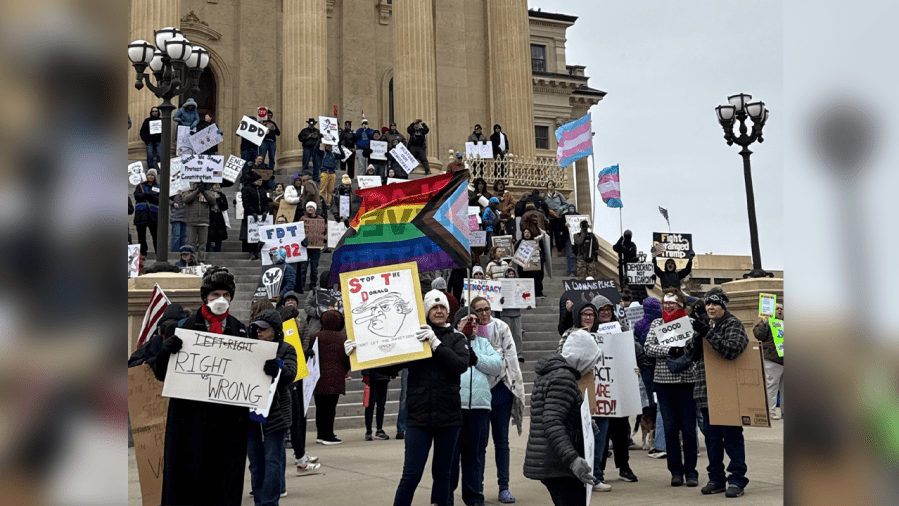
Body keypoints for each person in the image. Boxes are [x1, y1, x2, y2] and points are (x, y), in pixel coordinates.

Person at [344, 290, 468, 506]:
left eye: (442, 308)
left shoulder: (458, 337)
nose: (438, 311)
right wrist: (359, 353)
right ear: (426, 311)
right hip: (418, 418)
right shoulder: (413, 338)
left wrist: (435, 343)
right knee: (410, 475)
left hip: (449, 418)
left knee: (443, 475)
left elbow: (459, 365)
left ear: (448, 312)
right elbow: (389, 365)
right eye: (434, 308)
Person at [149, 267, 256, 506]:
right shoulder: (185, 328)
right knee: (186, 486)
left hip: (227, 425)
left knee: (222, 485)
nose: (221, 299)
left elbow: (250, 375)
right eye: (215, 294)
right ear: (205, 297)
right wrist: (165, 352)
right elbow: (161, 374)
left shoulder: (241, 330)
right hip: (190, 423)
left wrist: (266, 369)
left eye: (226, 295)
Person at [523, 329, 602, 506]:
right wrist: (573, 460)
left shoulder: (551, 373)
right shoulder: (563, 378)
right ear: (581, 358)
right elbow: (552, 422)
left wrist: (586, 425)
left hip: (552, 460)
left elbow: (557, 414)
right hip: (559, 464)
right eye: (591, 362)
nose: (591, 368)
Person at [685, 287, 749, 498]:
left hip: (728, 392)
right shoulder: (705, 325)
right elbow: (690, 355)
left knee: (732, 438)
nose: (710, 307)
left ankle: (737, 479)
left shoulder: (733, 324)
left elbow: (732, 349)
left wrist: (708, 333)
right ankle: (716, 478)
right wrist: (697, 337)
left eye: (715, 304)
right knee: (712, 440)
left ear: (723, 306)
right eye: (708, 304)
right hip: (705, 391)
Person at [643, 289, 703, 487]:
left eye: (672, 303)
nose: (668, 307)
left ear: (681, 305)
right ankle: (675, 471)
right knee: (669, 429)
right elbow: (648, 348)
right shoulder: (657, 324)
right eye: (665, 303)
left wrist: (686, 350)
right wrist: (669, 349)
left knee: (688, 430)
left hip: (687, 382)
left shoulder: (692, 324)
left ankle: (691, 472)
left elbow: (698, 348)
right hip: (664, 383)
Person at [468, 296, 525, 504]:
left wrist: (515, 387)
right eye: (479, 310)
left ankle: (504, 487)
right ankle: (477, 488)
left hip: (501, 391)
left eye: (487, 309)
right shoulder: (469, 331)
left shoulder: (502, 327)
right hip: (480, 393)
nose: (484, 313)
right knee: (479, 444)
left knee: (501, 441)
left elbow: (509, 358)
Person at [449, 306, 503, 506]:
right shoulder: (452, 340)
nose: (472, 322)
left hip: (479, 407)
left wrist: (477, 359)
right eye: (467, 319)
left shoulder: (483, 343)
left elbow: (497, 365)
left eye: (475, 319)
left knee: (475, 456)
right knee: (451, 457)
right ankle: (446, 497)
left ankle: (473, 497)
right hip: (455, 407)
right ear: (457, 322)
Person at [246, 309, 297, 506]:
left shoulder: (286, 349)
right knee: (255, 463)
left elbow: (291, 374)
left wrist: (279, 368)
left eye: (264, 329)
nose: (259, 332)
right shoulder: (249, 348)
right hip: (251, 412)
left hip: (276, 413)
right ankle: (259, 500)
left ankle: (268, 503)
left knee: (272, 460)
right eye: (256, 328)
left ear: (275, 330)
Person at [310, 310, 351, 445]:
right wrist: (344, 370)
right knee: (330, 408)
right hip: (335, 377)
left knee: (320, 407)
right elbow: (347, 359)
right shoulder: (343, 338)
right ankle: (328, 435)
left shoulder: (314, 337)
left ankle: (321, 434)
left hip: (317, 378)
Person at [632, 297, 664, 458]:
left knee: (651, 399)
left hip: (646, 366)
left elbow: (636, 343)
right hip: (656, 364)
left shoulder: (639, 325)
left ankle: (654, 436)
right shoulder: (662, 323)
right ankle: (656, 436)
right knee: (658, 401)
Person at [755, 303, 784, 420]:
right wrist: (764, 322)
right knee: (772, 387)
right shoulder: (766, 323)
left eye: (782, 308)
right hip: (773, 360)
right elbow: (758, 335)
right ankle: (770, 412)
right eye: (777, 309)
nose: (780, 310)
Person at [182, 182, 215, 264]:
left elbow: (213, 201)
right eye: (196, 183)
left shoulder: (207, 192)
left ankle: (201, 260)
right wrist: (196, 191)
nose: (197, 185)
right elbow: (185, 199)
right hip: (192, 221)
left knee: (202, 243)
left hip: (204, 221)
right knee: (191, 243)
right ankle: (191, 260)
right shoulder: (188, 191)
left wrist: (204, 192)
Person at [240, 171, 270, 260]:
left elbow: (266, 202)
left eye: (261, 180)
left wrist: (265, 211)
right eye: (259, 180)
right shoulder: (247, 189)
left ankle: (258, 251)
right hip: (250, 216)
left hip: (261, 216)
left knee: (259, 235)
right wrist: (252, 212)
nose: (260, 182)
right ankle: (251, 252)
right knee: (251, 234)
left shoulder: (262, 190)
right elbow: (246, 203)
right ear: (254, 180)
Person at [360, 365, 392, 441]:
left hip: (381, 374)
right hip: (378, 374)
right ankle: (374, 430)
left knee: (376, 405)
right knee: (375, 405)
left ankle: (372, 431)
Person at [133, 168, 160, 257]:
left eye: (152, 175)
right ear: (146, 176)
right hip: (141, 215)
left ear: (154, 177)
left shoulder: (158, 187)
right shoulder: (140, 186)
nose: (150, 176)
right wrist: (146, 194)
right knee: (141, 237)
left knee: (155, 236)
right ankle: (143, 253)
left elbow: (160, 200)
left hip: (153, 215)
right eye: (149, 175)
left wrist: (150, 196)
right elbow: (137, 196)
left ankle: (158, 253)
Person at [500, 267, 524, 363]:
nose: (511, 276)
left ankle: (519, 354)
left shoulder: (519, 286)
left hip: (516, 313)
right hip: (505, 313)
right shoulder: (501, 285)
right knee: (507, 335)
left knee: (518, 335)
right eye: (509, 274)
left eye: (512, 274)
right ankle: (508, 353)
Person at [298, 201, 323, 290]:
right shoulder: (302, 219)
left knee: (314, 268)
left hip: (315, 248)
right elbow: (298, 231)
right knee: (303, 267)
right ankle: (302, 284)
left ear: (314, 209)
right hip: (305, 247)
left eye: (311, 207)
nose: (310, 209)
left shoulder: (320, 219)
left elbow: (323, 231)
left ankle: (313, 284)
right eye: (308, 207)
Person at [516, 227, 546, 298]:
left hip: (535, 266)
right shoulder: (520, 242)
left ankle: (538, 292)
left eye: (528, 232)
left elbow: (542, 252)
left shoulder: (536, 241)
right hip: (524, 267)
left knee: (537, 279)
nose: (527, 234)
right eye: (525, 232)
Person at [544, 181, 568, 253]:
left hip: (558, 217)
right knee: (549, 235)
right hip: (549, 218)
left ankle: (559, 250)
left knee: (557, 234)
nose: (551, 186)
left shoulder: (559, 195)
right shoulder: (544, 196)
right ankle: (549, 251)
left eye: (552, 185)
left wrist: (560, 209)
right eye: (550, 184)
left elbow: (566, 204)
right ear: (547, 186)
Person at [205, 183, 228, 252]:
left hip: (219, 215)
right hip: (210, 215)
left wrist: (219, 200)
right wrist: (214, 199)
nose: (217, 186)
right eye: (215, 185)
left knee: (219, 234)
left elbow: (225, 207)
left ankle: (218, 248)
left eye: (218, 185)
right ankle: (207, 248)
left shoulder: (222, 195)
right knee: (209, 234)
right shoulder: (208, 194)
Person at [319, 143, 344, 207]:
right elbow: (316, 150)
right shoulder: (322, 153)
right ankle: (321, 203)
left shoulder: (333, 154)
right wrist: (319, 140)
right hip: (325, 172)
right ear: (325, 146)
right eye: (327, 145)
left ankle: (328, 204)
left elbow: (342, 156)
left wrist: (339, 146)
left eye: (330, 146)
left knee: (331, 190)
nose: (329, 147)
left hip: (332, 173)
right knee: (323, 189)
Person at [298, 118, 323, 182]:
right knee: (305, 162)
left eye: (313, 124)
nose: (312, 125)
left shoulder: (317, 131)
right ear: (308, 124)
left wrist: (316, 137)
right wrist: (309, 136)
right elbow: (300, 138)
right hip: (307, 148)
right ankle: (305, 175)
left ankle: (316, 176)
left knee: (316, 163)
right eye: (311, 124)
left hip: (315, 148)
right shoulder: (304, 130)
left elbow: (322, 138)